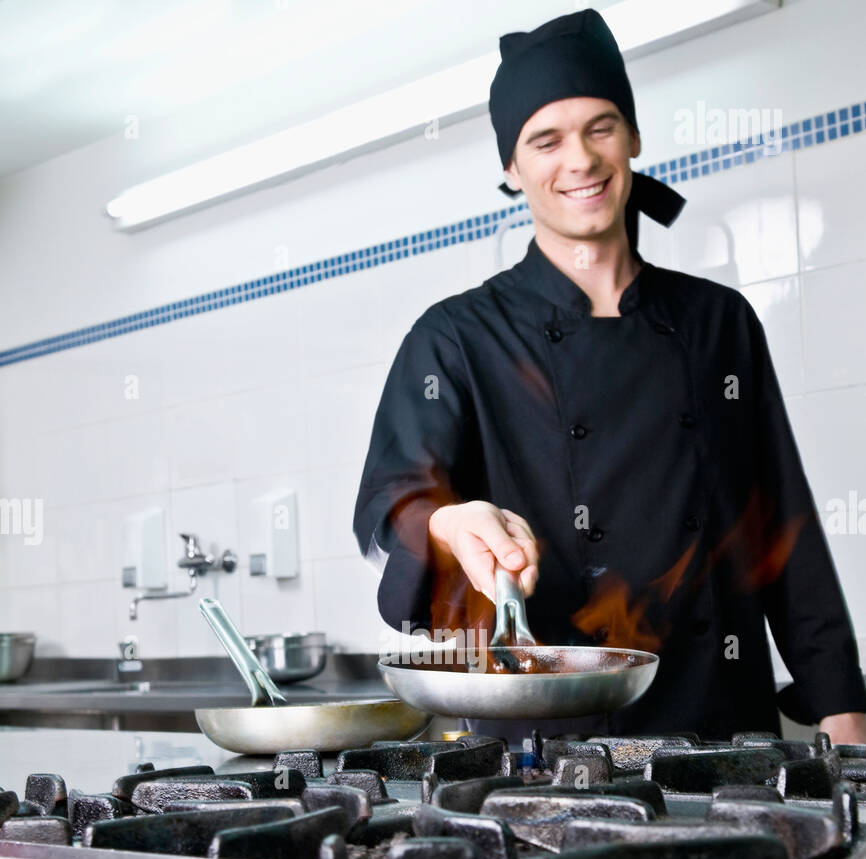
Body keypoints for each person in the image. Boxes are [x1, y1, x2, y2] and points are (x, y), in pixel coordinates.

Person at [353, 8, 866, 745]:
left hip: (726, 733)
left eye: (600, 127)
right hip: (554, 743)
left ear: (633, 137)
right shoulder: (459, 337)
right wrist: (446, 521)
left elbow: (782, 524)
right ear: (511, 168)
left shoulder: (719, 321)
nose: (581, 161)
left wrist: (841, 707)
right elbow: (391, 498)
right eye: (545, 140)